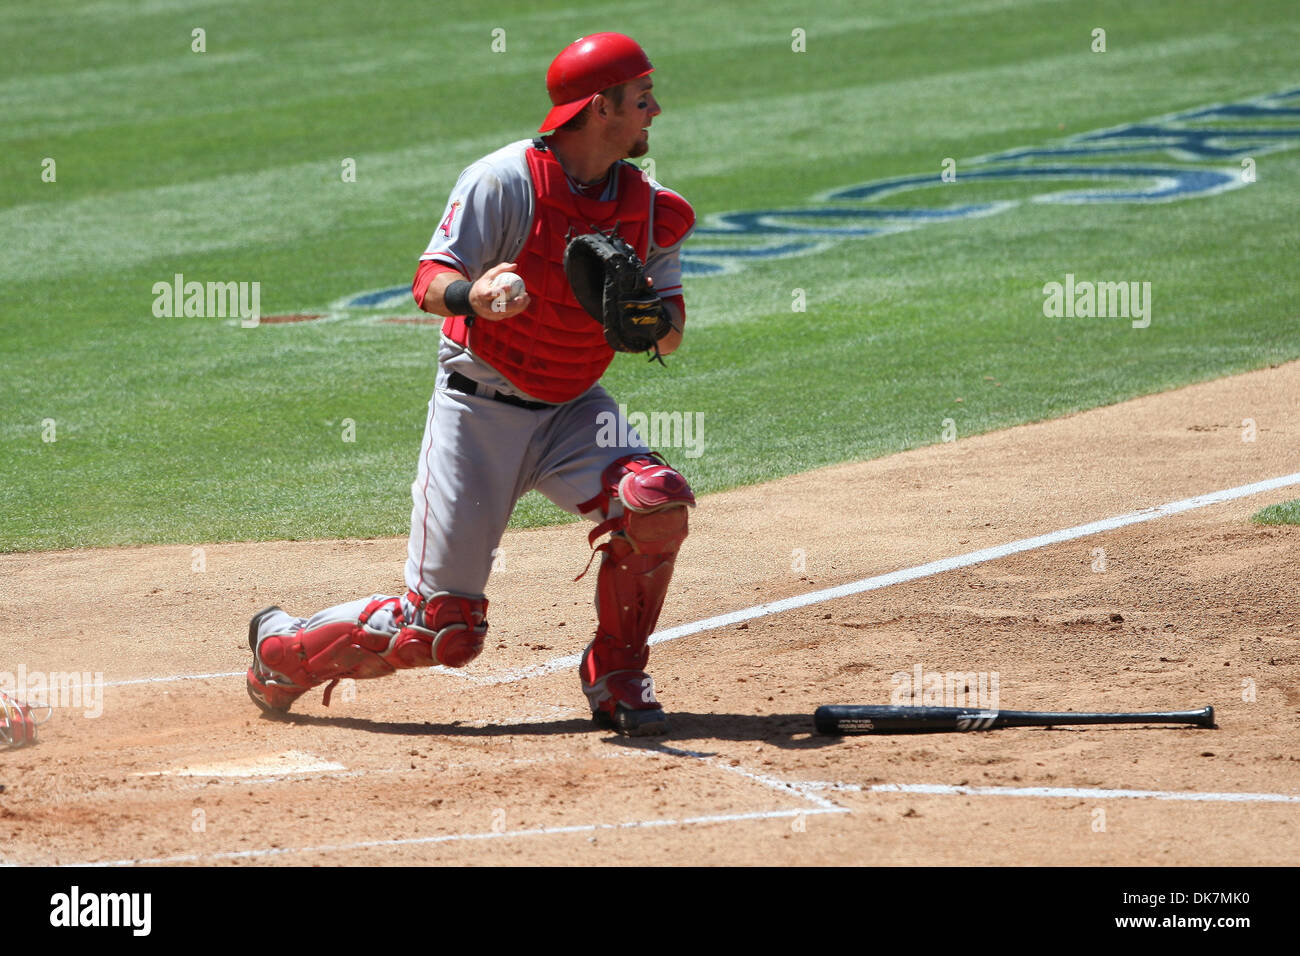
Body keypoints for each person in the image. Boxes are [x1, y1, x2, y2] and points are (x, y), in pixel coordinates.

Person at [245, 33, 697, 736]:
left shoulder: (649, 208)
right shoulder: (505, 180)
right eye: (641, 99)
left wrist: (645, 320)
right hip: (480, 408)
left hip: (574, 409)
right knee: (440, 632)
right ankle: (285, 651)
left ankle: (617, 672)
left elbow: (671, 333)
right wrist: (475, 296)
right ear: (599, 107)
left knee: (655, 504)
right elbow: (428, 281)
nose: (655, 111)